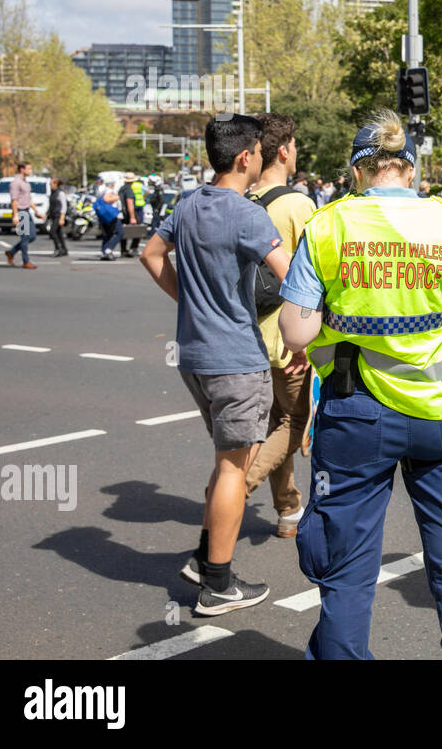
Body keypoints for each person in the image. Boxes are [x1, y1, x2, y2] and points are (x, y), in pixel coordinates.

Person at [275, 110, 442, 660]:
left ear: (358, 172)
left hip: (357, 413)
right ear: (410, 170)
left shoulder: (330, 224)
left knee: (347, 564)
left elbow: (296, 330)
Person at [140, 114, 290, 615]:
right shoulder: (247, 215)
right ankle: (218, 586)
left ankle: (207, 560)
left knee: (225, 461)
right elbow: (291, 277)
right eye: (259, 153)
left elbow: (151, 254)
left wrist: (186, 300)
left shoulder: (188, 205)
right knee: (233, 468)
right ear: (247, 157)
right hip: (237, 358)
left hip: (195, 355)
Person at [243, 114, 316, 539]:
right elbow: (314, 276)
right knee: (295, 422)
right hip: (288, 337)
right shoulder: (298, 204)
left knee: (276, 422)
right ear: (284, 150)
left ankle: (288, 509)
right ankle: (235, 489)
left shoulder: (245, 199)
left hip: (250, 335)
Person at [4, 161, 43, 269]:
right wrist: (15, 215)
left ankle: (11, 252)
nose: (31, 171)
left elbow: (28, 199)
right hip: (20, 211)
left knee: (32, 236)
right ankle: (26, 261)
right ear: (22, 169)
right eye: (29, 169)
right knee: (25, 237)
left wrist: (36, 211)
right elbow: (14, 200)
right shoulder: (16, 183)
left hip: (27, 211)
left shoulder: (25, 182)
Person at [94, 181, 123, 260]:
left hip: (104, 216)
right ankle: (108, 249)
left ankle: (104, 251)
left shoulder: (102, 190)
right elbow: (106, 199)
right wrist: (117, 197)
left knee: (107, 234)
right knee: (119, 232)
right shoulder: (109, 191)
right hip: (111, 215)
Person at [47, 176, 68, 258]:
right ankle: (64, 249)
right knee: (58, 233)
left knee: (53, 232)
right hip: (53, 215)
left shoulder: (60, 193)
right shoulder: (53, 192)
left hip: (58, 215)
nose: (50, 185)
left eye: (51, 184)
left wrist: (62, 218)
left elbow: (64, 206)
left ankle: (58, 249)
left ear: (56, 184)